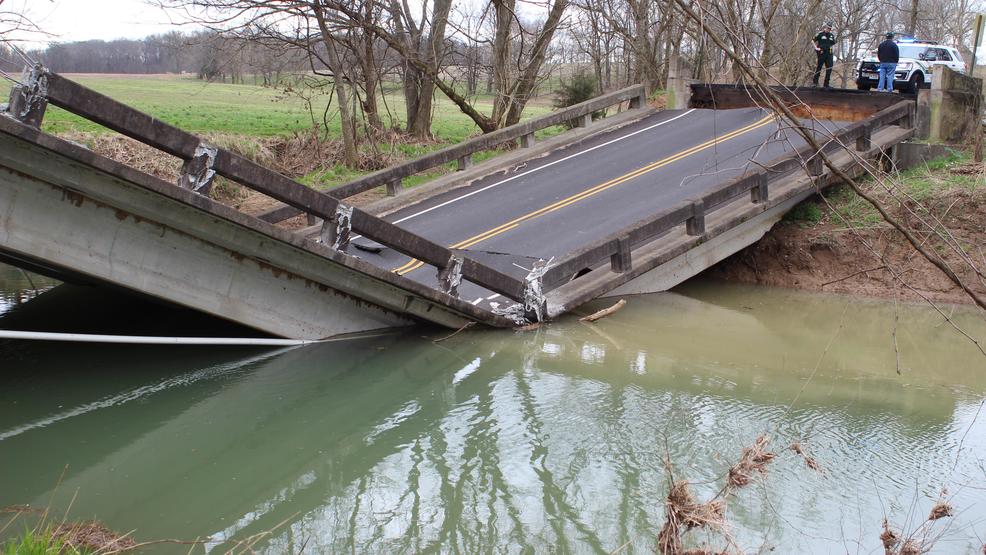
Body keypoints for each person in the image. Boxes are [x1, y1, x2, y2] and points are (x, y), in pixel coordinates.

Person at [812, 23, 837, 88]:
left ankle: (826, 84)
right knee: (819, 67)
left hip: (829, 53)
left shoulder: (831, 35)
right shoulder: (820, 34)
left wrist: (833, 50)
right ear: (825, 27)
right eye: (828, 28)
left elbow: (833, 44)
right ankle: (815, 82)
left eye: (830, 29)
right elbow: (812, 40)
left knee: (829, 67)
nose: (829, 29)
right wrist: (816, 48)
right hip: (821, 52)